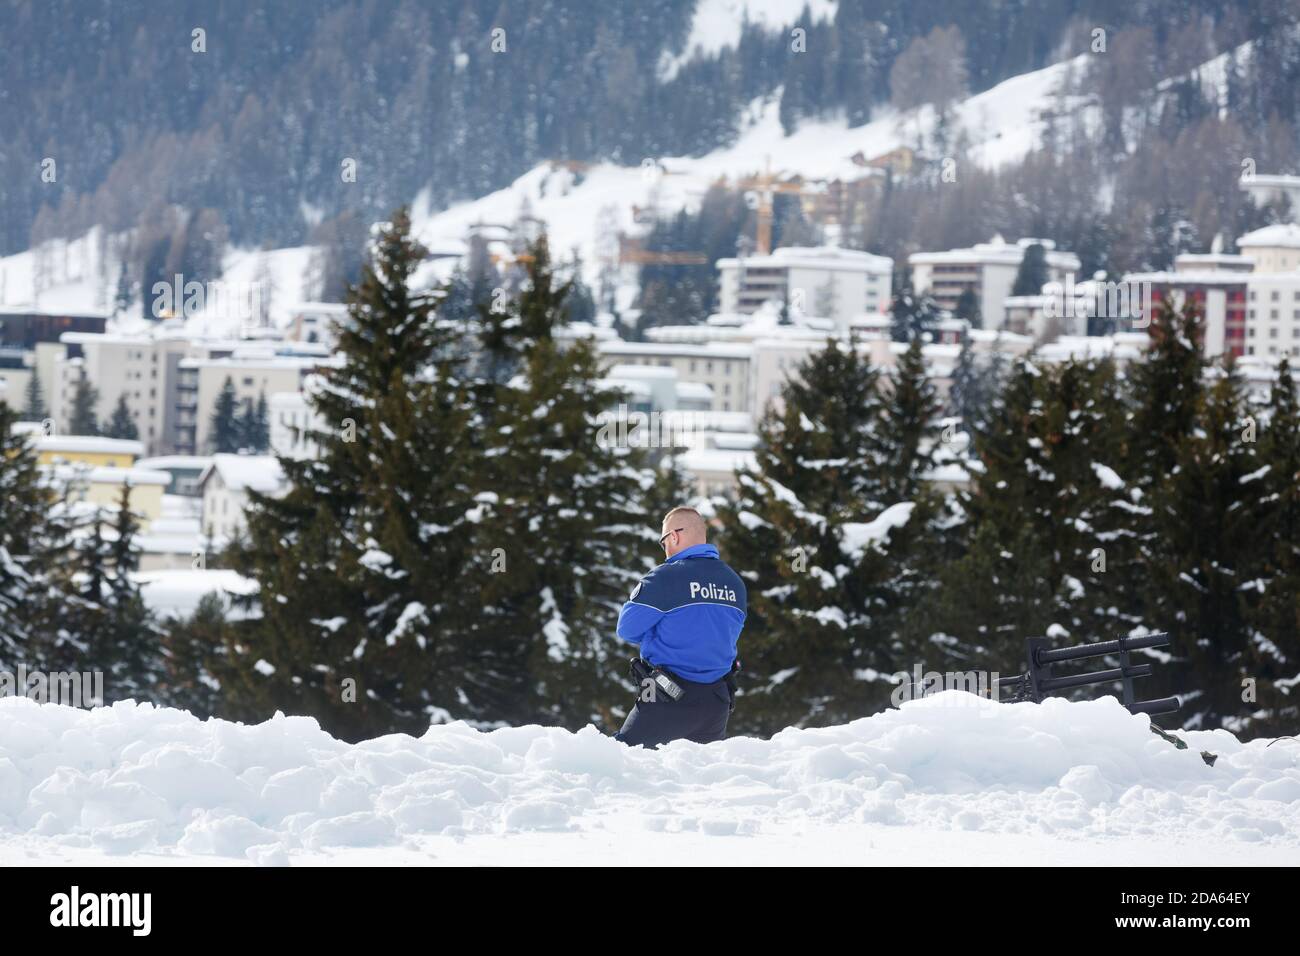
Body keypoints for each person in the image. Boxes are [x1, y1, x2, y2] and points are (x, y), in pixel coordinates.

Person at [613, 506, 747, 747]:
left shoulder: (665, 578)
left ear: (673, 536)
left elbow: (627, 629)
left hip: (666, 696)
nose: (664, 548)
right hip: (717, 703)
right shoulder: (734, 582)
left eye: (663, 541)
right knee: (700, 778)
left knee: (622, 763)